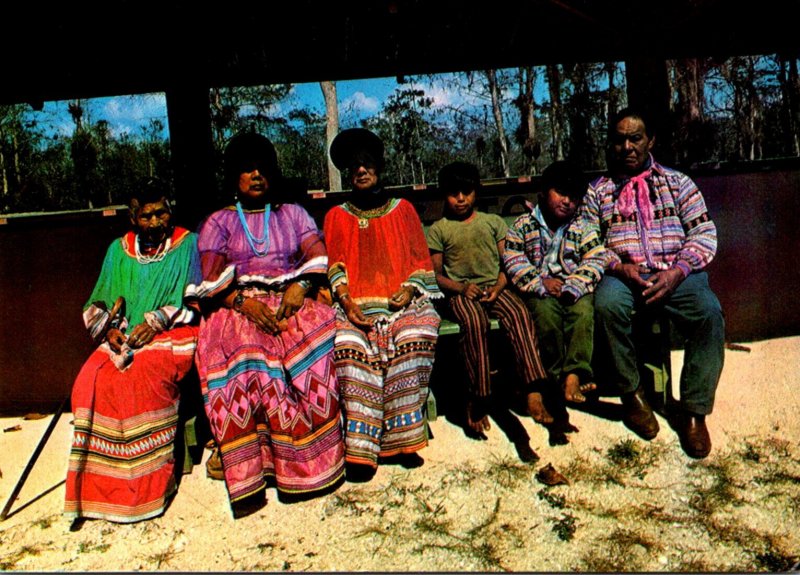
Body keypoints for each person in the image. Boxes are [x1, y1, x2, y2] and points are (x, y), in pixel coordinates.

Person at [192, 132, 345, 517]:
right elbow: (210, 282)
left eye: (262, 168)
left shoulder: (292, 213)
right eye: (247, 169)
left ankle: (308, 463)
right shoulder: (219, 222)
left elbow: (316, 255)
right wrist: (243, 302)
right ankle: (251, 467)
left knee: (317, 349)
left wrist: (302, 285)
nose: (256, 175)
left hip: (292, 296)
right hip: (238, 304)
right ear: (234, 177)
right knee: (248, 359)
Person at [585, 107, 725, 458]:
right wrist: (617, 267)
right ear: (610, 145)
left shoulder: (677, 183)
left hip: (675, 272)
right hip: (624, 275)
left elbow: (704, 232)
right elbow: (585, 242)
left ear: (651, 141)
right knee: (606, 306)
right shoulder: (598, 192)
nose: (627, 147)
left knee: (709, 313)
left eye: (635, 138)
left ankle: (693, 412)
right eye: (619, 140)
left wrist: (678, 270)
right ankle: (632, 397)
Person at [64, 179, 202, 524]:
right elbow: (100, 299)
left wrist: (156, 321)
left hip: (174, 331)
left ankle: (146, 490)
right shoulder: (118, 250)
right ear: (133, 218)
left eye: (162, 213)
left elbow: (196, 301)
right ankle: (98, 491)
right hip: (125, 336)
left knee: (140, 378)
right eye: (147, 216)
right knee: (88, 382)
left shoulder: (188, 244)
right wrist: (108, 328)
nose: (156, 222)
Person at [322, 128, 441, 479]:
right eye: (353, 165)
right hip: (354, 305)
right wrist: (346, 300)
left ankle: (402, 438)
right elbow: (334, 266)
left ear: (379, 166)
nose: (361, 170)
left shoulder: (403, 210)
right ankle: (362, 450)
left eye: (367, 163)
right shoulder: (336, 216)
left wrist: (408, 290)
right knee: (347, 346)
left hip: (402, 303)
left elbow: (421, 260)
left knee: (413, 336)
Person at [426, 161, 552, 438]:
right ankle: (478, 395)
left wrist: (498, 287)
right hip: (461, 293)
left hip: (494, 287)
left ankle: (533, 387)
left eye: (467, 192)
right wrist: (460, 288)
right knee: (474, 323)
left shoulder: (492, 222)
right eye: (454, 193)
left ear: (476, 192)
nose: (461, 198)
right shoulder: (440, 228)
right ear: (444, 195)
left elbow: (510, 263)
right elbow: (435, 275)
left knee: (519, 314)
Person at [503, 161, 606, 415]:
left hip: (574, 288)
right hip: (539, 290)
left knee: (583, 313)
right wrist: (540, 283)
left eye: (573, 196)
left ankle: (574, 373)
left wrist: (573, 286)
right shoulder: (523, 226)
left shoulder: (584, 228)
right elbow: (514, 261)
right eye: (560, 193)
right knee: (546, 315)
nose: (567, 201)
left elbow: (595, 259)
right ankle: (554, 377)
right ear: (542, 193)